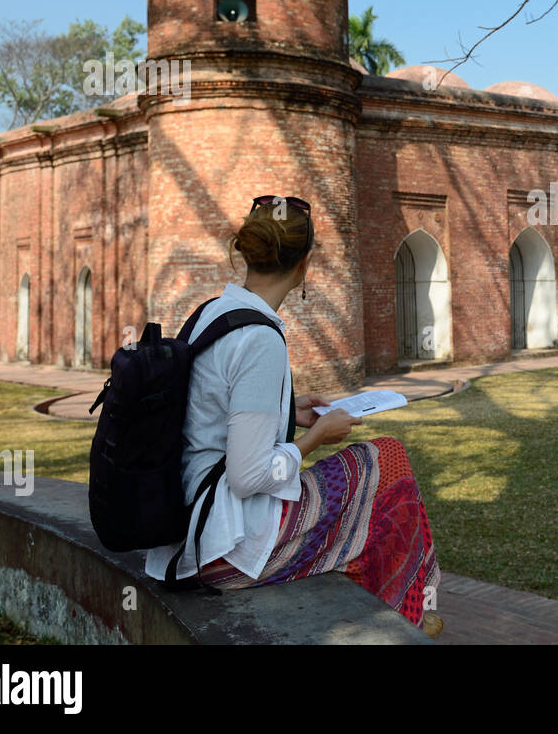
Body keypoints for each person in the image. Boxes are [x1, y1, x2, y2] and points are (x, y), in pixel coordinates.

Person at [144, 194, 443, 638]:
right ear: (304, 265)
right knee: (387, 463)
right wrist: (316, 438)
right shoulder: (260, 339)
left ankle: (389, 609)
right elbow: (249, 476)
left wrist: (288, 413)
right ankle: (405, 618)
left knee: (373, 473)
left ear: (246, 253)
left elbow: (215, 418)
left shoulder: (213, 313)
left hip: (184, 530)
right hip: (222, 549)